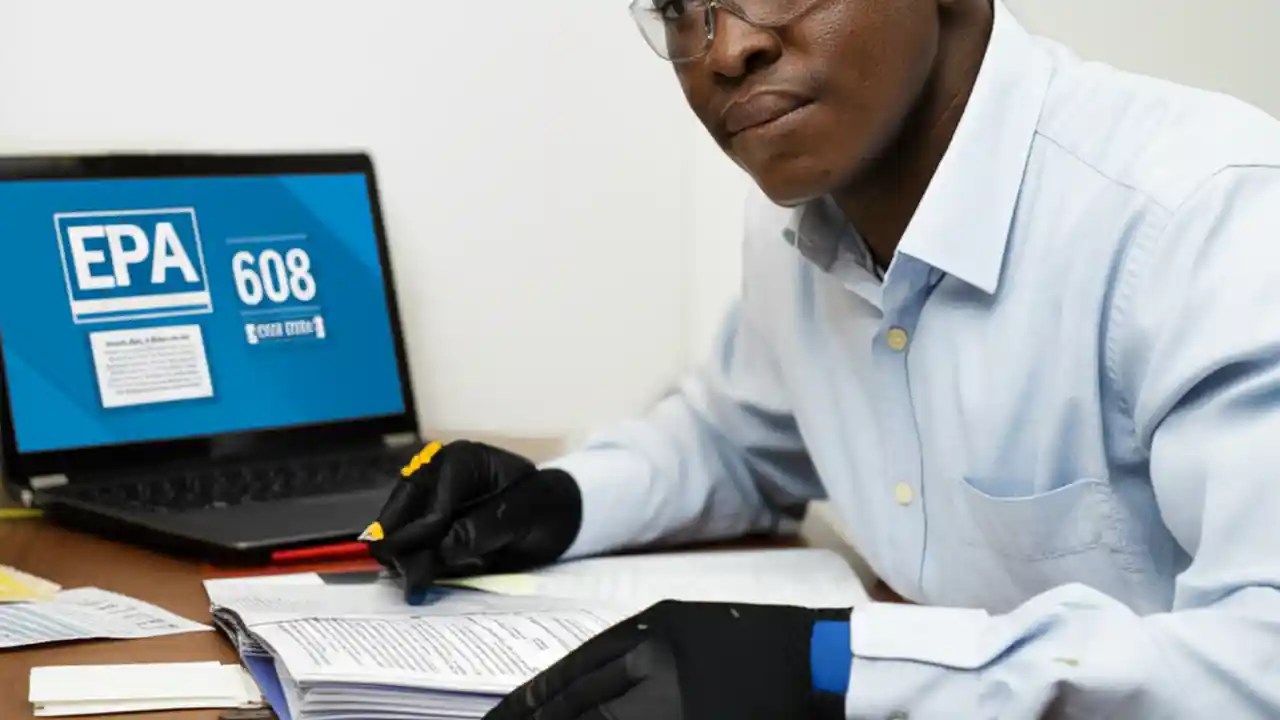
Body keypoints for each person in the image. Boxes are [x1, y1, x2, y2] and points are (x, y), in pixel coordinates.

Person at [371, 0, 1280, 717]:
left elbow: (1262, 659)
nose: (723, 49)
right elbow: (736, 441)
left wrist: (833, 669)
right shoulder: (795, 222)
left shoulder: (1204, 217)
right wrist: (556, 502)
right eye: (682, 4)